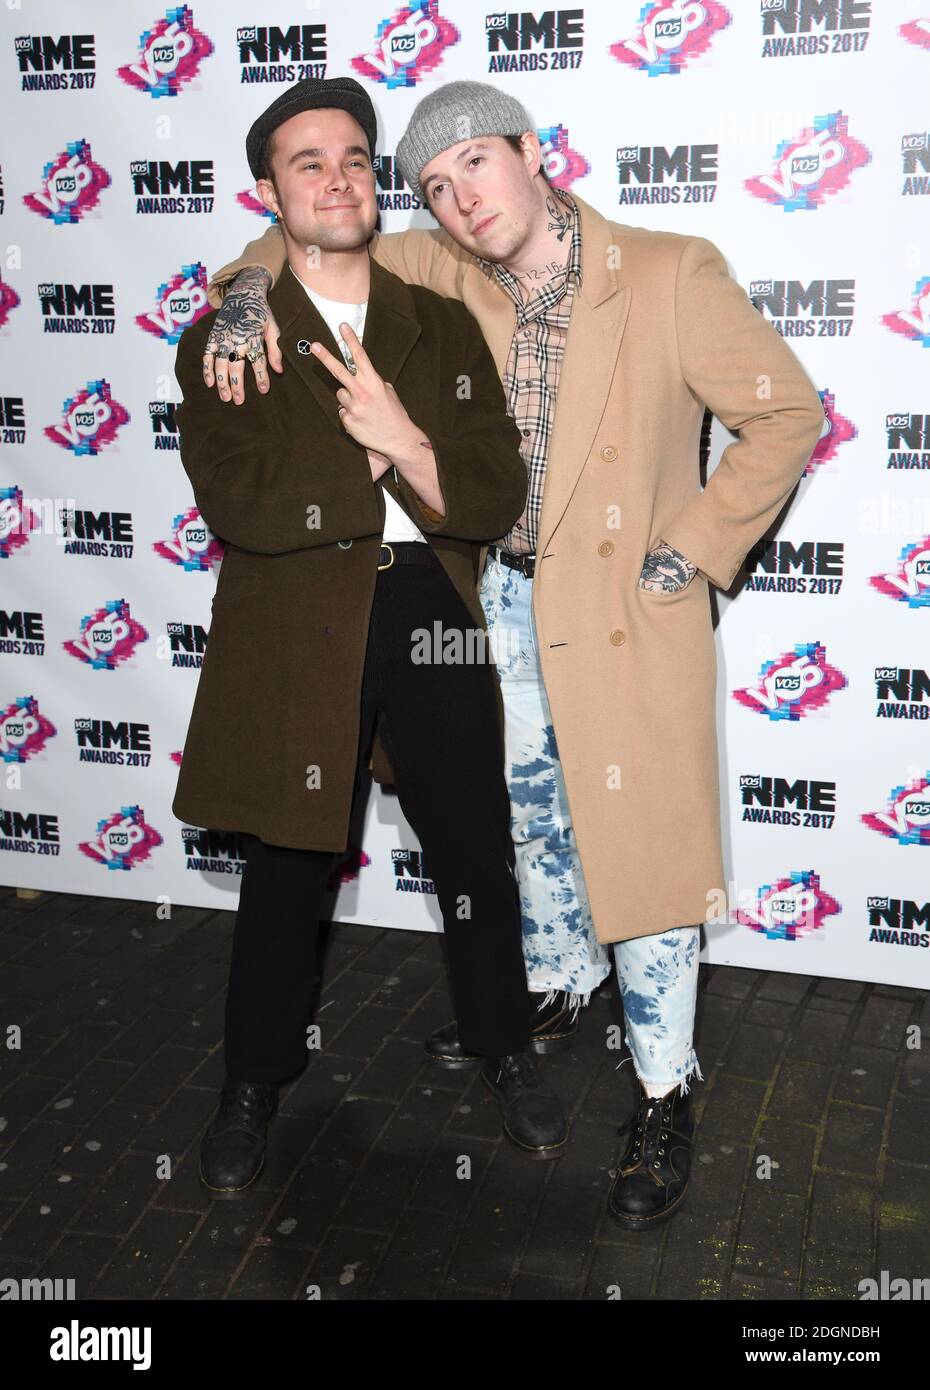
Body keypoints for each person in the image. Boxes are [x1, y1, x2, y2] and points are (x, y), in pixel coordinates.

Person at [199, 80, 826, 1227]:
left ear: (534, 154)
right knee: (527, 820)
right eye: (435, 187)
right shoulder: (448, 271)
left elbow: (786, 413)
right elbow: (298, 245)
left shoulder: (669, 271)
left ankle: (663, 1089)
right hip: (493, 604)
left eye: (477, 166)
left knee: (644, 857)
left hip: (622, 610)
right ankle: (556, 983)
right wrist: (240, 293)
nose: (461, 200)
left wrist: (691, 549)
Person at [172, 77, 569, 1198]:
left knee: (473, 847)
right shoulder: (230, 335)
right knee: (289, 863)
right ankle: (253, 1079)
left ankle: (504, 1043)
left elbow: (493, 491)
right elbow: (241, 501)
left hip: (431, 610)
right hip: (300, 620)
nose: (337, 178)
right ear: (270, 192)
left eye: (354, 157)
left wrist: (412, 441)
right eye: (308, 162)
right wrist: (382, 456)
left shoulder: (437, 321)